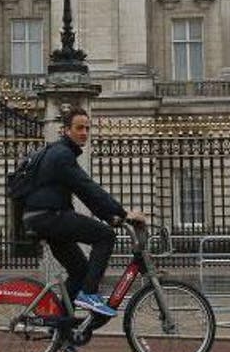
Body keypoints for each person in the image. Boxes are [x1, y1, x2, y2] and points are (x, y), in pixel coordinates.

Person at [22, 105, 148, 319]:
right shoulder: (62, 155)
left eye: (87, 128)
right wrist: (123, 213)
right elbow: (87, 188)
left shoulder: (60, 152)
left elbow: (87, 195)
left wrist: (111, 216)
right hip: (49, 216)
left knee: (80, 271)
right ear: (66, 130)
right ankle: (89, 294)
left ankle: (62, 327)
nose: (84, 133)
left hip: (43, 217)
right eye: (79, 128)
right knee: (106, 236)